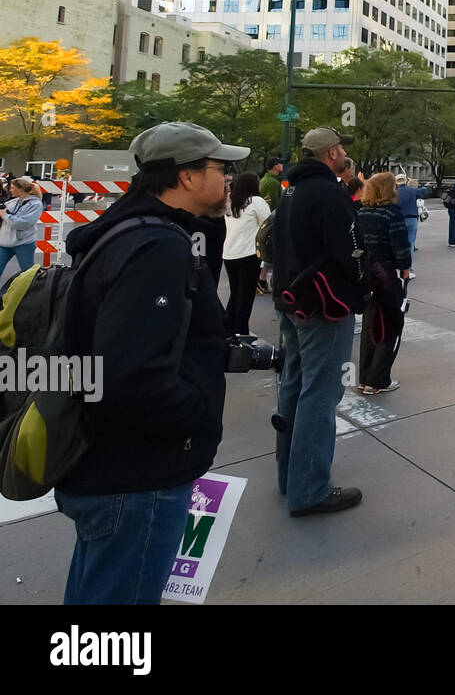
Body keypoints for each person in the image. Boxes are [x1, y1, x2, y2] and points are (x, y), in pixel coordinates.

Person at [55, 121, 248, 603]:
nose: (228, 178)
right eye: (221, 168)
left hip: (108, 465)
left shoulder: (125, 231)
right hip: (138, 473)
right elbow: (130, 374)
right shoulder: (158, 246)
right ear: (184, 176)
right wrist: (195, 414)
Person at [271, 126, 365, 518]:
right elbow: (351, 251)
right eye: (341, 148)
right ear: (330, 153)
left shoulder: (290, 191)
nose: (344, 154)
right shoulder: (328, 194)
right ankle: (309, 488)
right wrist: (362, 287)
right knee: (320, 394)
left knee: (293, 385)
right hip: (323, 306)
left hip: (290, 302)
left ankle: (289, 476)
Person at [355, 171, 411, 394]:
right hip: (386, 273)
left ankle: (364, 376)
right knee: (390, 325)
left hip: (366, 274)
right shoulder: (391, 214)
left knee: (370, 325)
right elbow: (400, 245)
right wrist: (405, 268)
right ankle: (378, 380)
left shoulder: (361, 212)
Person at [223, 172, 271, 335]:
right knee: (246, 297)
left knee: (235, 294)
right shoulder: (256, 201)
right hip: (249, 254)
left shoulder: (231, 202)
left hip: (229, 254)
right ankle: (241, 334)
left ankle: (229, 331)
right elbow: (268, 223)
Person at [0, 175, 43, 279]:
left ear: (21, 189)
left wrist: (4, 215)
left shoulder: (36, 204)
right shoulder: (13, 202)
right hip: (4, 243)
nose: (10, 190)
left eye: (13, 188)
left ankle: (31, 294)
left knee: (27, 274)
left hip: (24, 244)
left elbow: (23, 223)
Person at [395, 174, 426, 252]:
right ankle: (409, 262)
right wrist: (425, 186)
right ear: (406, 181)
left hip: (399, 219)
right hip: (412, 218)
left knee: (399, 243)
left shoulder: (394, 193)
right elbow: (424, 192)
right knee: (411, 242)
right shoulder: (412, 190)